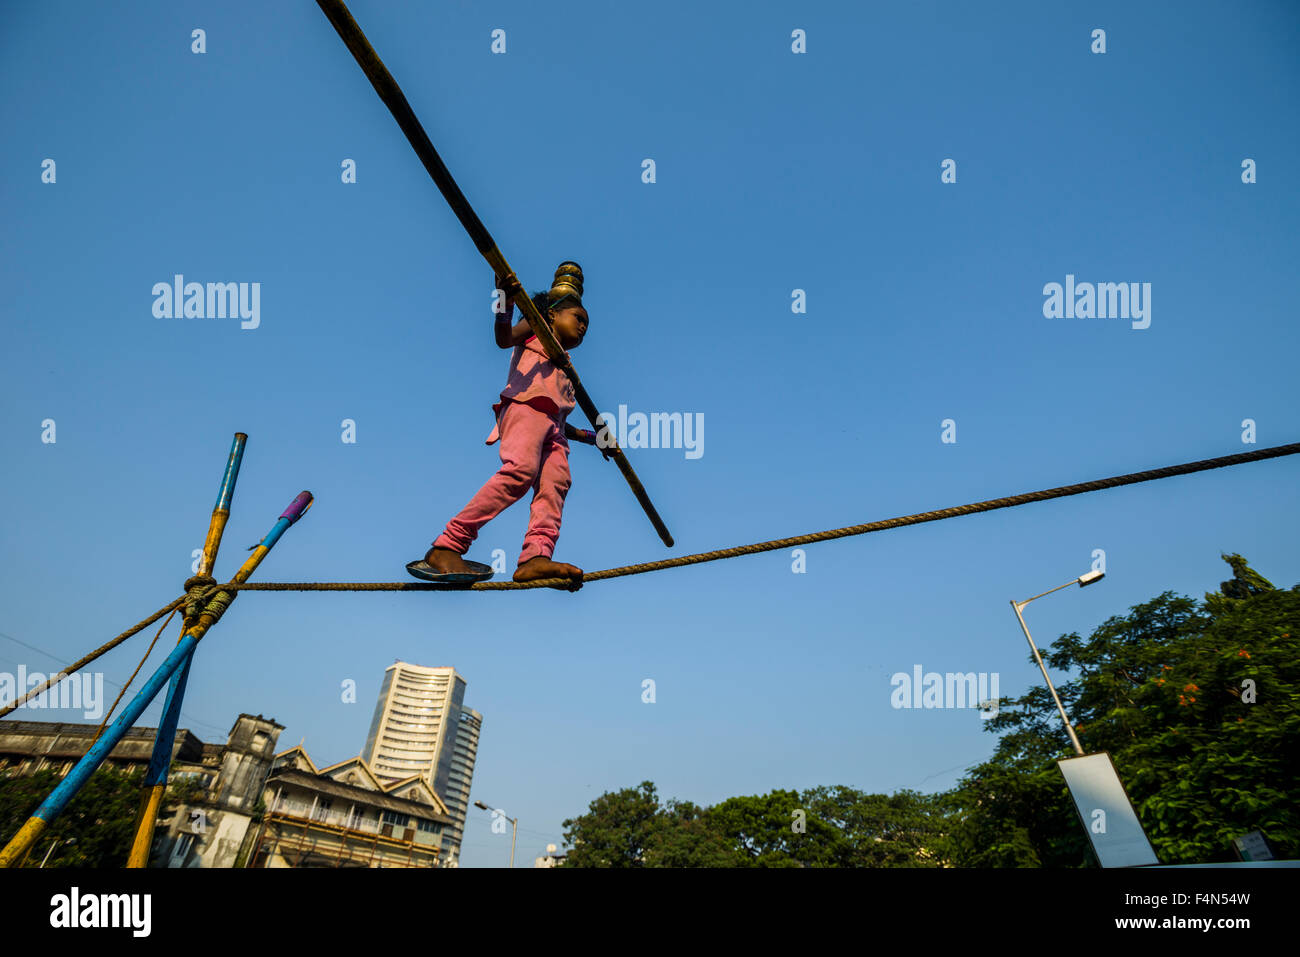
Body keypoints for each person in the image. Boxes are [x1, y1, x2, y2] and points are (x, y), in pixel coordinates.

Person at [421, 264, 605, 589]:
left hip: (554, 429)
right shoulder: (535, 328)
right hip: (524, 411)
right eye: (578, 318)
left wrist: (596, 438)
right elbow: (502, 338)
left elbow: (561, 418)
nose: (583, 327)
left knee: (555, 485)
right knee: (520, 472)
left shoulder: (566, 367)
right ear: (552, 315)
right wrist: (504, 298)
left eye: (586, 324)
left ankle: (536, 557)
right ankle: (448, 545)